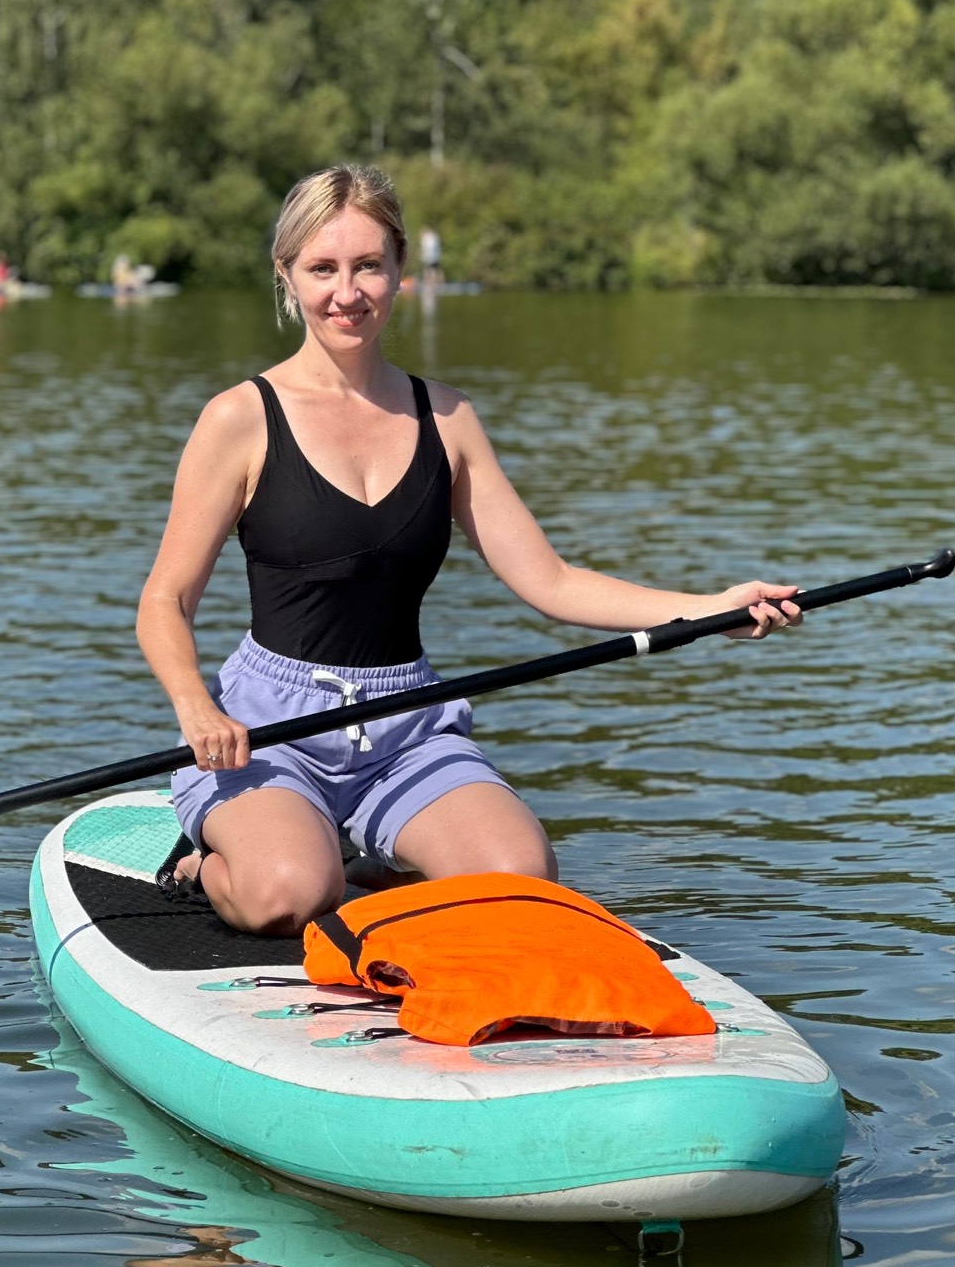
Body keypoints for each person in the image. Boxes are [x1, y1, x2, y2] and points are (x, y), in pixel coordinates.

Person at [137, 165, 801, 937]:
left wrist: (708, 611)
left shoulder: (447, 419)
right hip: (268, 735)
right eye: (322, 268)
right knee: (287, 894)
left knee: (521, 880)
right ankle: (206, 862)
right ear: (287, 274)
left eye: (368, 266)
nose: (347, 293)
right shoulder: (241, 419)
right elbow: (165, 601)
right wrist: (195, 707)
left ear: (400, 271)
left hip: (406, 726)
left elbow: (549, 580)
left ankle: (361, 859)